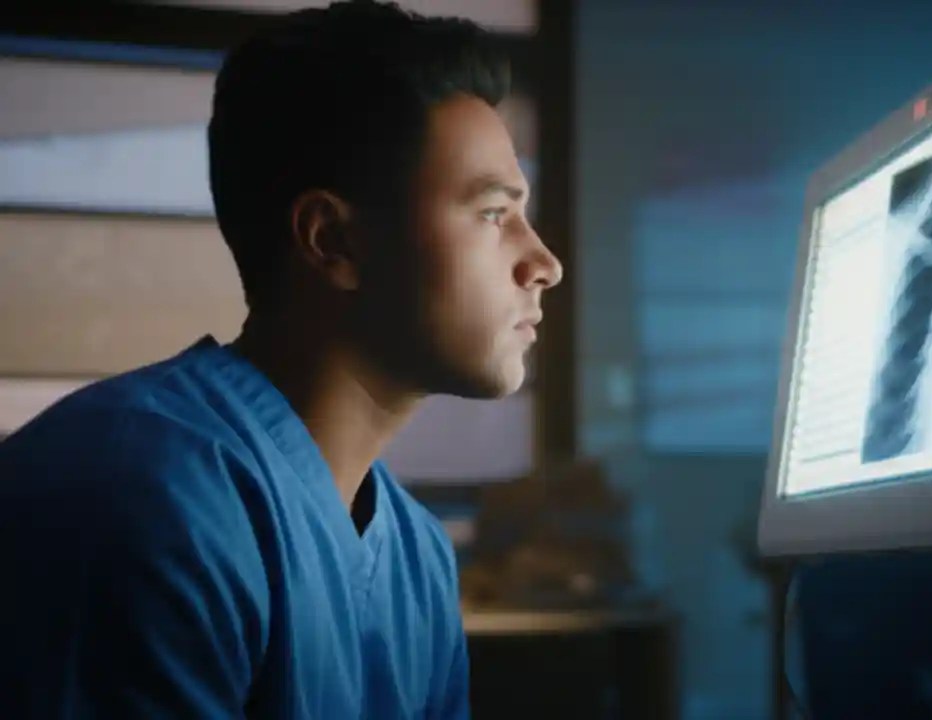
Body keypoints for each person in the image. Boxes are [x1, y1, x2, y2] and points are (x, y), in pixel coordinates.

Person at [0, 1, 561, 717]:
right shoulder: (141, 495)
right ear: (332, 241)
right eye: (492, 213)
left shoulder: (418, 560)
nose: (544, 263)